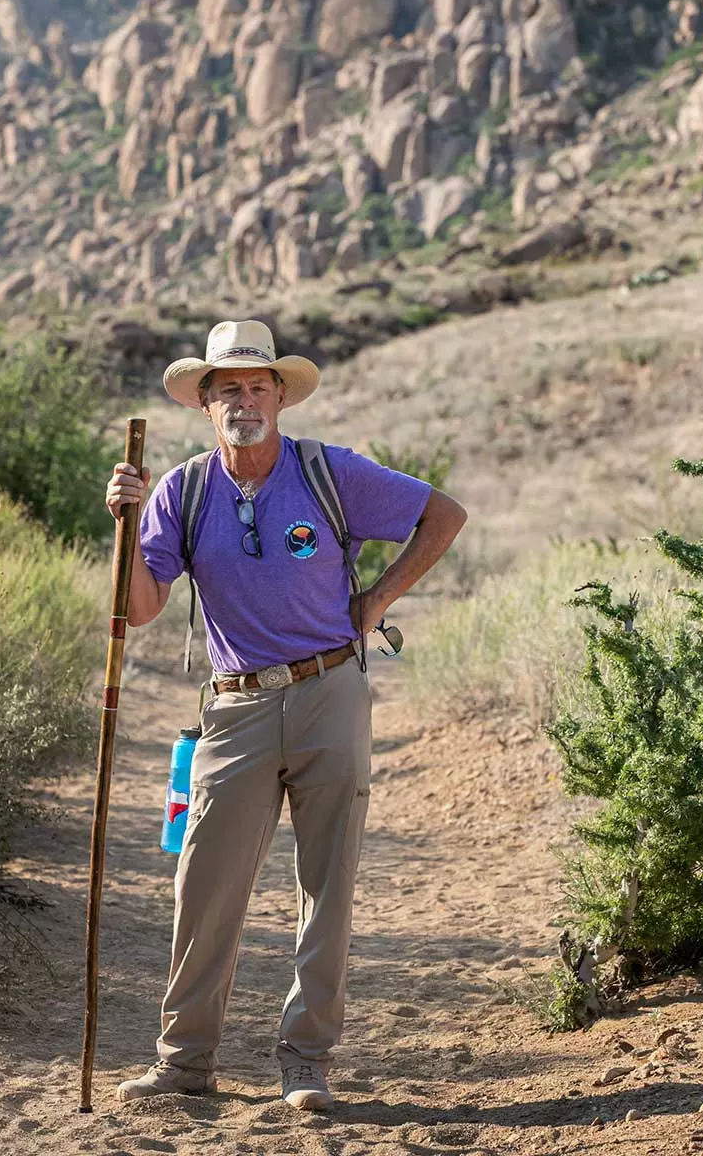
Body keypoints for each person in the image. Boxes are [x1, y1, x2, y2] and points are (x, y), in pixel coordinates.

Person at [104, 319, 466, 1112]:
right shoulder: (183, 490)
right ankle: (184, 1061)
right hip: (234, 705)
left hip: (331, 690)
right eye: (228, 388)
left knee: (326, 885)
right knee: (203, 887)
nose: (245, 400)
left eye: (257, 386)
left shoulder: (329, 472)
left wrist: (376, 602)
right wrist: (125, 529)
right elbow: (138, 608)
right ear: (205, 404)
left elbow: (445, 514)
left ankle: (306, 1062)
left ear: (280, 396)